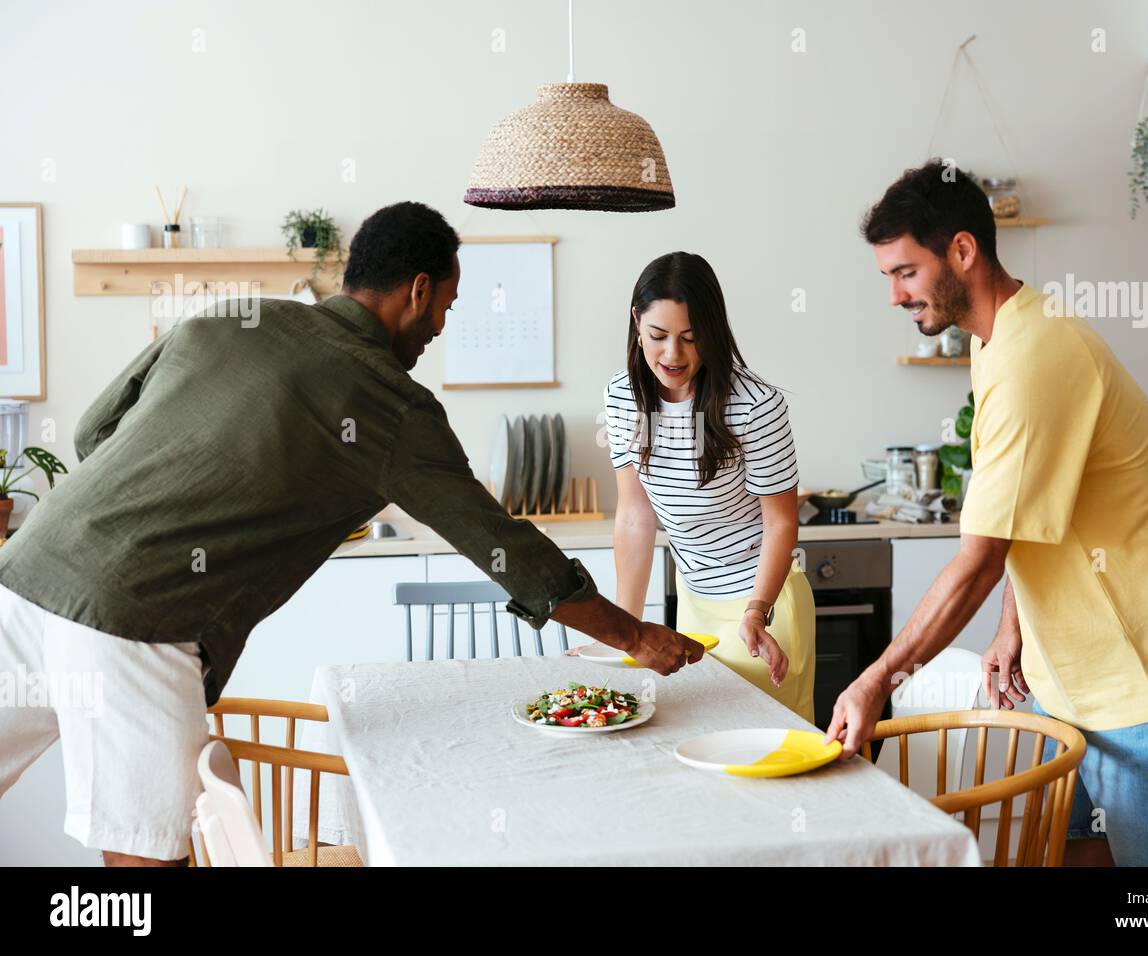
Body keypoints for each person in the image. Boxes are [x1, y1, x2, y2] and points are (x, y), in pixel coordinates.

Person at [0, 202, 702, 867]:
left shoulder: (229, 320)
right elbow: (502, 547)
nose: (440, 329)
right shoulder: (388, 402)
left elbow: (95, 431)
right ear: (418, 292)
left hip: (30, 570)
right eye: (447, 308)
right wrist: (637, 637)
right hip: (136, 617)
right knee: (146, 851)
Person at [825, 161, 1148, 866]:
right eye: (887, 277)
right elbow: (1033, 514)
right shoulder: (997, 344)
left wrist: (876, 679)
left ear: (961, 251)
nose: (893, 294)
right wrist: (1013, 630)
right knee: (1065, 856)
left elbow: (980, 559)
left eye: (905, 273)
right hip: (1063, 680)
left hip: (1143, 681)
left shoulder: (1034, 357)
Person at [602, 252, 815, 722]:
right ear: (636, 323)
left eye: (691, 338)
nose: (673, 355)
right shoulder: (622, 397)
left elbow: (780, 522)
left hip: (764, 602)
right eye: (658, 337)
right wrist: (623, 632)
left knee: (765, 750)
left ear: (713, 334)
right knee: (699, 738)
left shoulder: (756, 405)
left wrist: (758, 612)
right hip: (695, 603)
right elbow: (636, 516)